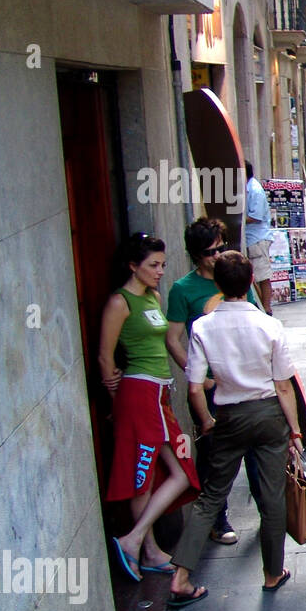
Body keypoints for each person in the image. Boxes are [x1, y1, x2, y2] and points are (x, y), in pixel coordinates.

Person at [167, 251, 304, 607]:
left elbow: (195, 386)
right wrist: (295, 428)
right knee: (272, 496)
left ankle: (181, 576)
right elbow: (284, 384)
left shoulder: (203, 326)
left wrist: (206, 421)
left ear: (218, 284)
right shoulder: (269, 326)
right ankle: (272, 572)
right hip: (268, 414)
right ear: (248, 284)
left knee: (212, 495)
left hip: (227, 414)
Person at [98, 233, 200, 580]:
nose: (160, 271)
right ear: (132, 266)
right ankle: (138, 542)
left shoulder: (153, 296)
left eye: (162, 264)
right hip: (139, 393)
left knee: (159, 471)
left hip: (157, 395)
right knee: (159, 471)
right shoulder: (119, 302)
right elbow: (105, 357)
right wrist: (114, 395)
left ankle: (146, 546)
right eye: (152, 265)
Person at [166, 216, 264, 546]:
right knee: (216, 453)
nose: (218, 254)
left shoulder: (235, 277)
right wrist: (200, 376)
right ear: (196, 255)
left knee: (256, 449)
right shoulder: (184, 289)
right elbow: (173, 338)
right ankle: (217, 517)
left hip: (245, 380)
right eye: (211, 251)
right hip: (211, 387)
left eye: (222, 247)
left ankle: (268, 510)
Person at [243, 160, 274, 314]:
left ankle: (266, 308)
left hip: (257, 238)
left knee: (262, 275)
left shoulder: (254, 190)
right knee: (255, 276)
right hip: (251, 238)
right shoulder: (246, 188)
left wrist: (237, 219)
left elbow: (256, 216)